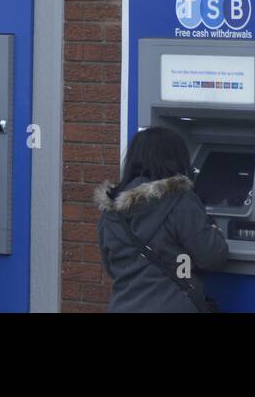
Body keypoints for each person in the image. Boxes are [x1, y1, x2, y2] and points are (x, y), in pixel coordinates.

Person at [96, 126, 229, 312]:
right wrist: (215, 229)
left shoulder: (112, 209)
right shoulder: (180, 200)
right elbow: (213, 256)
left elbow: (111, 266)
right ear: (177, 159)